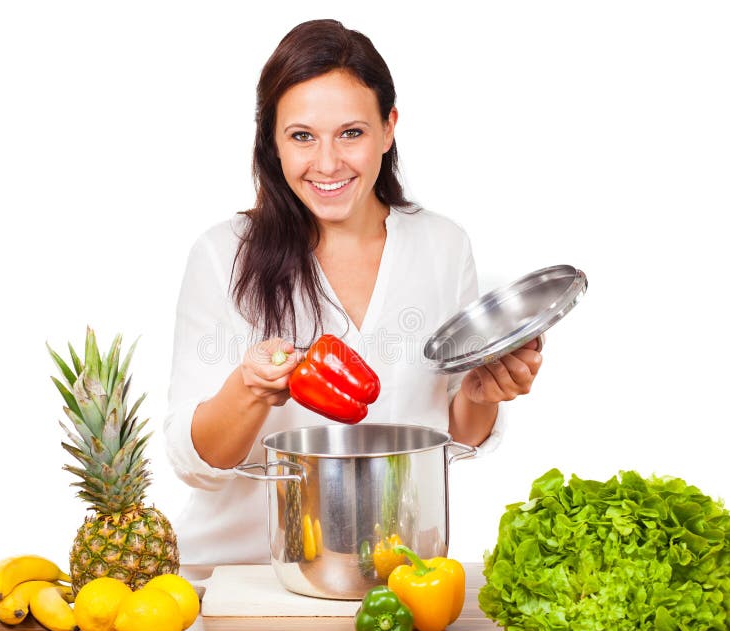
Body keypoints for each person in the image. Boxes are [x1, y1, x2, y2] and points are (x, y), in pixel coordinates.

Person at [163, 19, 543, 565]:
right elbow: (197, 463)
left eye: (351, 133)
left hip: (392, 573)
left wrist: (480, 397)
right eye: (302, 136)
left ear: (388, 128)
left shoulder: (442, 245)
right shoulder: (223, 254)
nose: (327, 163)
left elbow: (454, 436)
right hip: (237, 577)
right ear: (271, 139)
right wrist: (248, 388)